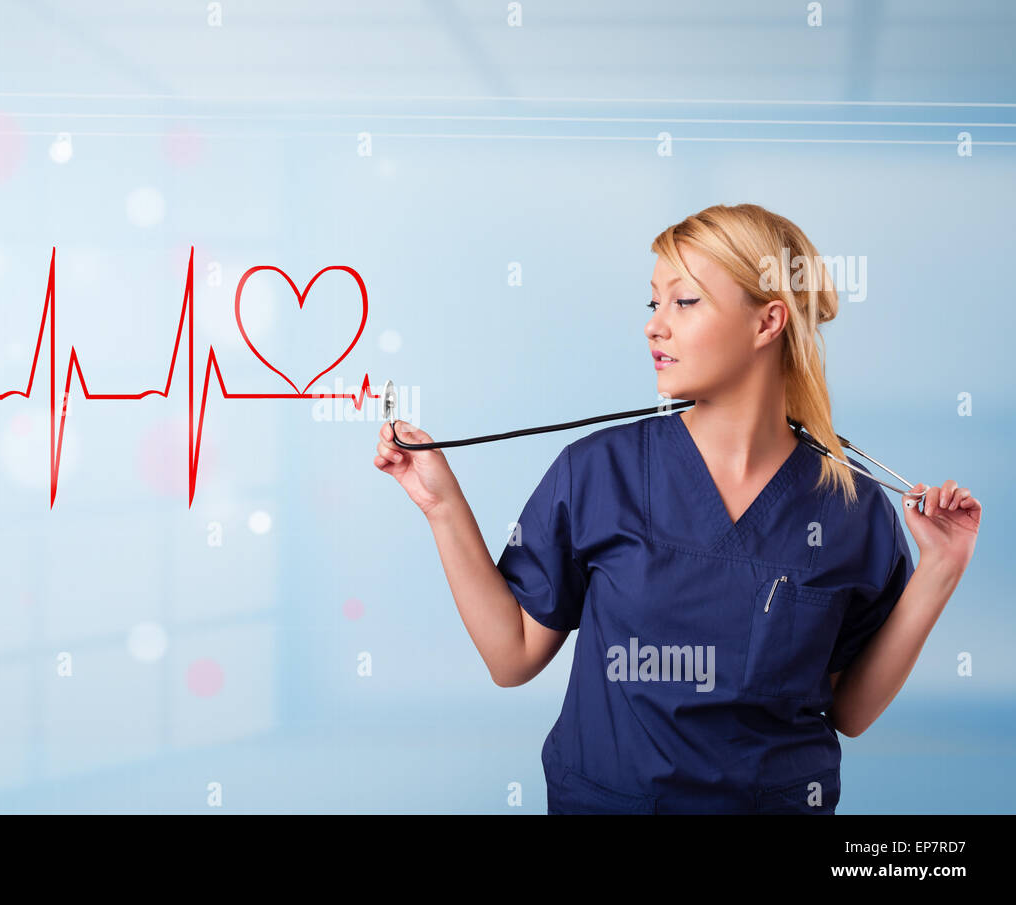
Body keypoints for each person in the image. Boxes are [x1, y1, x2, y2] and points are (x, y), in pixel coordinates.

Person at [373, 203, 982, 814]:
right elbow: (512, 657)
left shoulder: (853, 507)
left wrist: (941, 567)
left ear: (768, 322)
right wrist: (440, 503)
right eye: (653, 303)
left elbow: (848, 709)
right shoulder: (598, 473)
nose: (654, 327)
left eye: (684, 302)